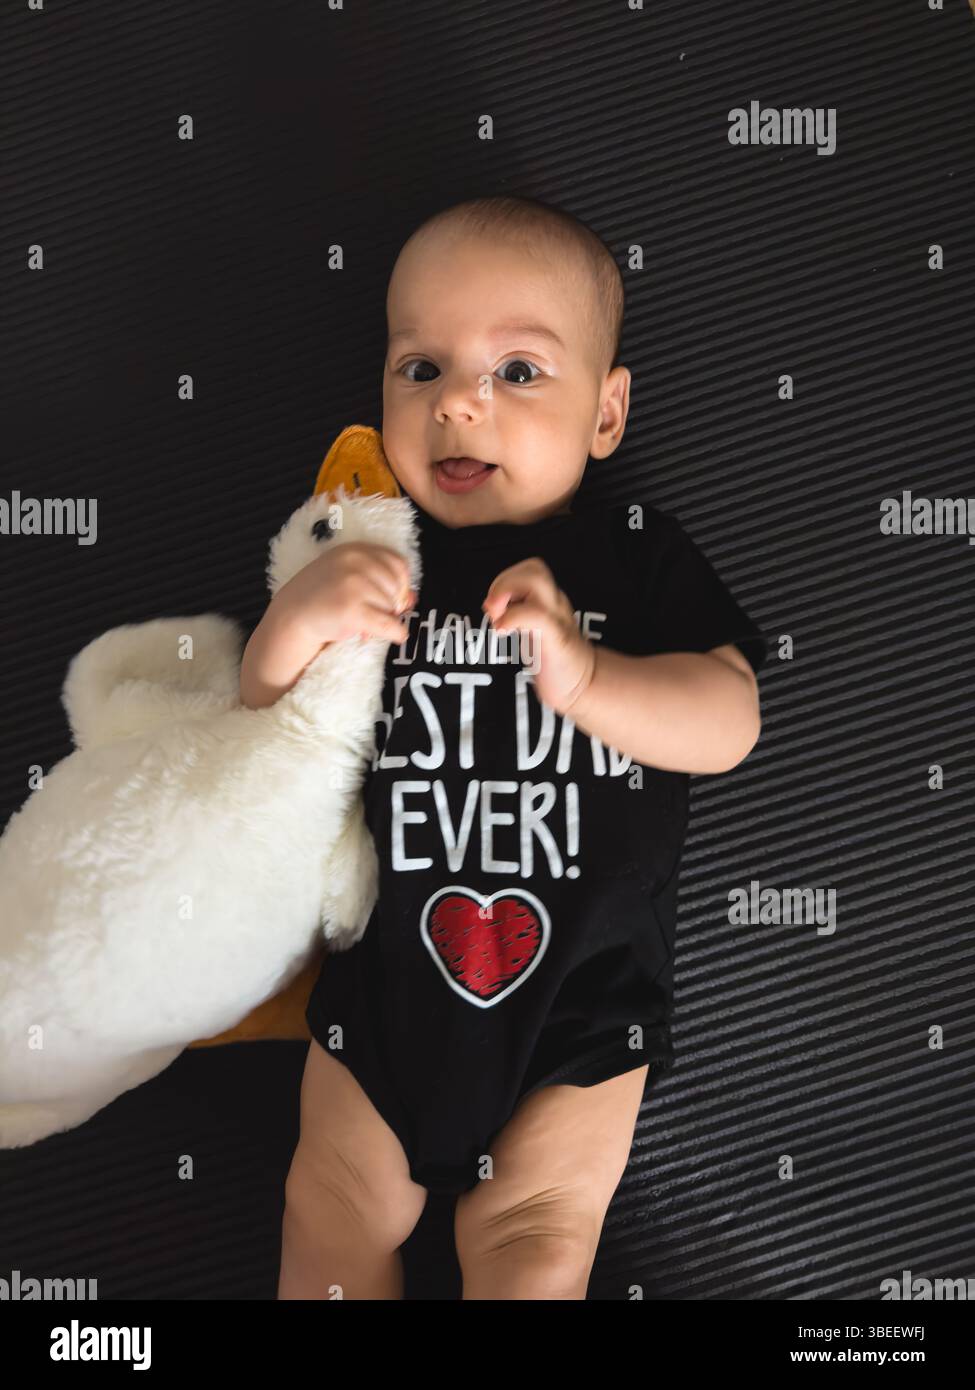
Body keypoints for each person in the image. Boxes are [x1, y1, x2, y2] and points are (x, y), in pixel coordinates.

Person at [241, 194, 768, 1299]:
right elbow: (262, 729)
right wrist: (299, 616)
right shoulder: (370, 547)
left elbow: (728, 720)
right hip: (381, 984)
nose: (460, 406)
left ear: (607, 415)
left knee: (533, 1240)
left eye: (519, 372)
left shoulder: (629, 557)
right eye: (418, 369)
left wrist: (587, 675)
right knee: (330, 1205)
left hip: (579, 1007)